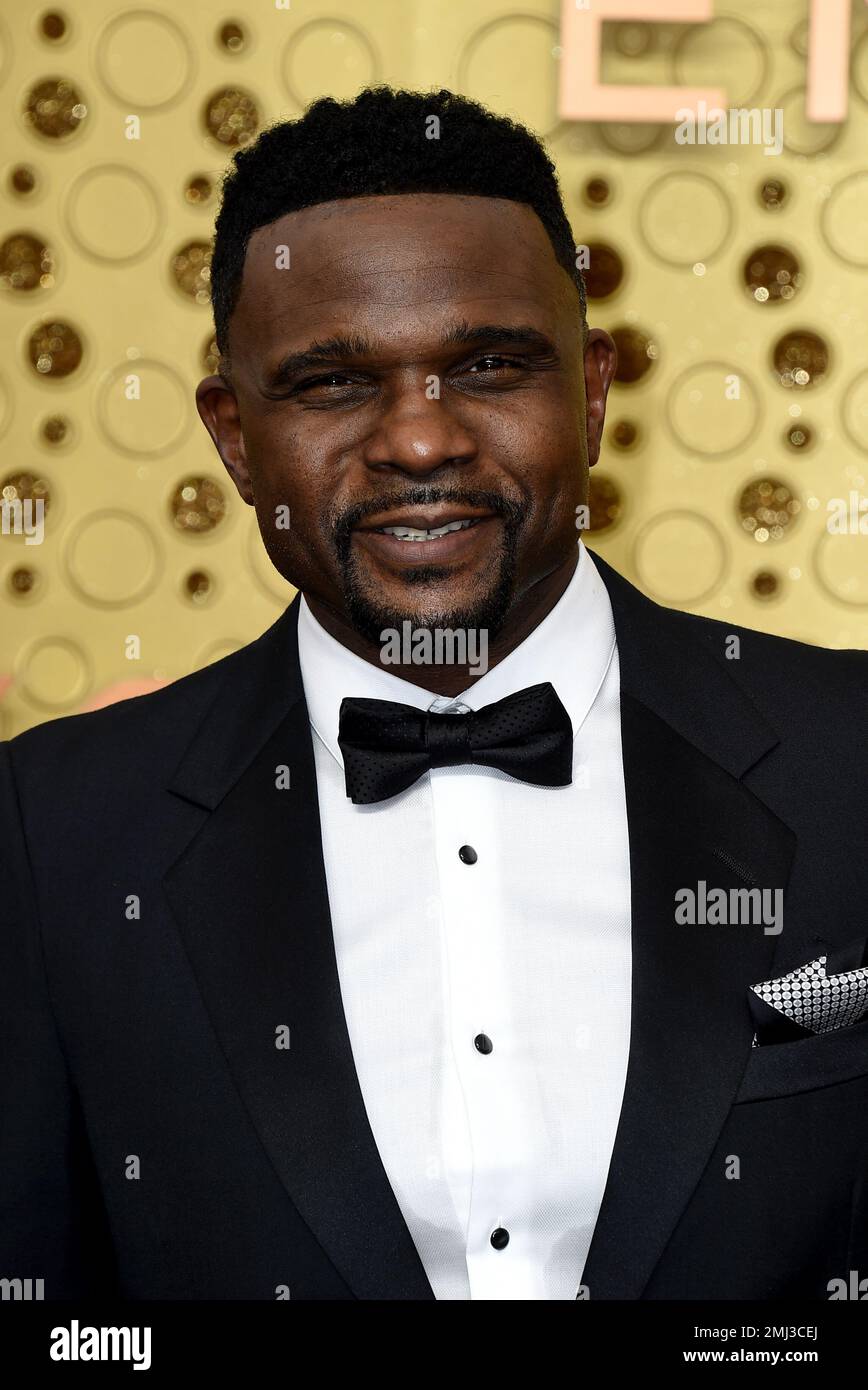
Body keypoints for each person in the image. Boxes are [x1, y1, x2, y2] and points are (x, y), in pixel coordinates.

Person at [1, 88, 866, 1302]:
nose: (420, 441)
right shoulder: (55, 830)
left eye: (490, 365)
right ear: (235, 439)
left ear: (595, 393)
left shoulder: (850, 762)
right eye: (332, 384)